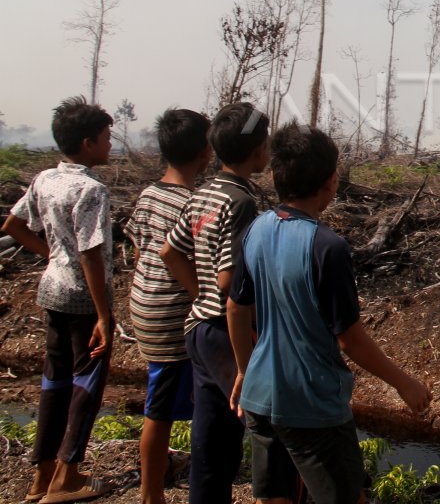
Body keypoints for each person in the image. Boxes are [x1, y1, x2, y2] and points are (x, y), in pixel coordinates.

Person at [228, 123, 431, 504]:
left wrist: (243, 369)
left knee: (275, 496)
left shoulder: (255, 231)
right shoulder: (326, 247)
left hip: (259, 395)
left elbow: (236, 309)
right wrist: (405, 383)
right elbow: (349, 339)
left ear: (276, 175)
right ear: (331, 180)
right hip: (311, 403)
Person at [2, 97, 116, 504]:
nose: (109, 144)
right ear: (87, 143)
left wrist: (50, 254)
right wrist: (104, 313)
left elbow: (14, 224)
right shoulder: (92, 189)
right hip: (82, 299)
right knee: (86, 385)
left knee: (54, 382)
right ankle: (68, 474)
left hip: (51, 290)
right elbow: (90, 253)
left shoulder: (45, 180)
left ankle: (42, 473)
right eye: (105, 137)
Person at [159, 102, 273, 504]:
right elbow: (230, 281)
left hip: (199, 330)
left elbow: (170, 252)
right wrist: (247, 356)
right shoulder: (241, 202)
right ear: (259, 149)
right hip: (227, 334)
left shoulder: (202, 192)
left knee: (208, 441)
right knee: (251, 428)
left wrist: (198, 295)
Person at [126, 108, 212, 504]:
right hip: (170, 317)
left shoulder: (148, 194)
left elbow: (140, 245)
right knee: (159, 408)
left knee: (164, 393)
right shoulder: (194, 205)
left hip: (143, 305)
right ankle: (151, 493)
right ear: (205, 153)